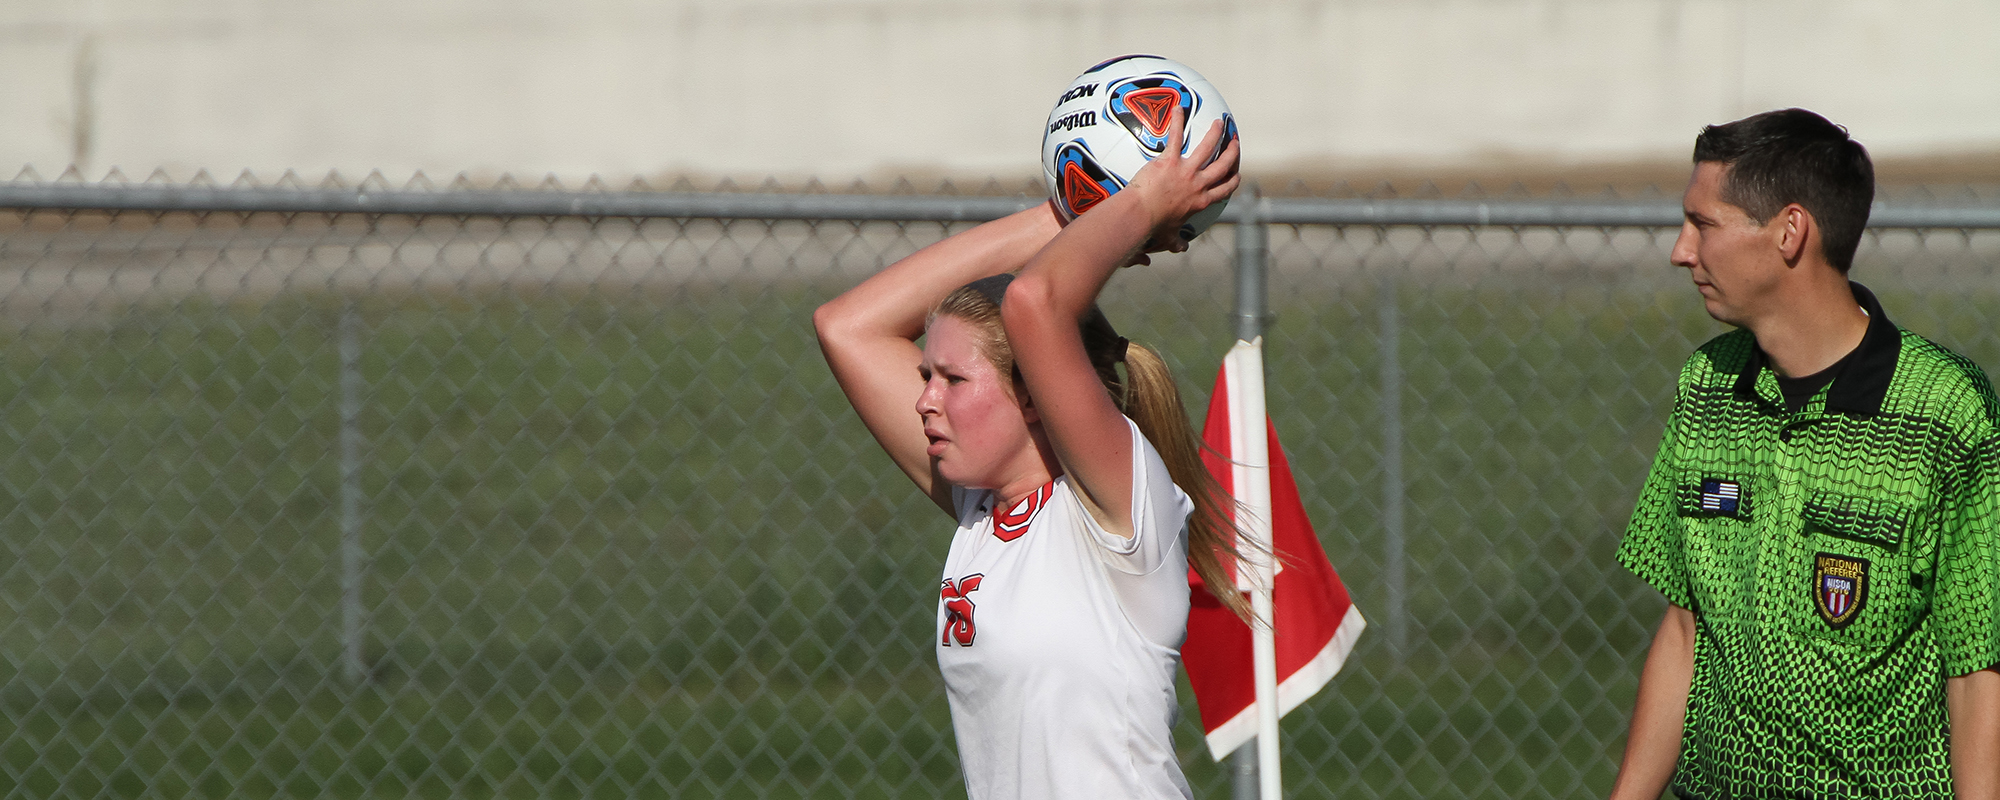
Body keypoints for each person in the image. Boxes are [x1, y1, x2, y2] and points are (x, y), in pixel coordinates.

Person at [813, 109, 1247, 800]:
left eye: (953, 380)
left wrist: (1141, 203)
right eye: (925, 375)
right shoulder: (982, 514)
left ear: (1034, 396)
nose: (925, 400)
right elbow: (846, 327)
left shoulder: (1117, 502)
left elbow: (1035, 302)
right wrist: (1074, 210)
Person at [1609, 108, 2000, 799]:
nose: (1681, 251)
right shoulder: (1706, 386)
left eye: (1703, 224)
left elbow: (1978, 670)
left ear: (1790, 231)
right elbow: (1684, 628)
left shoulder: (1946, 411)